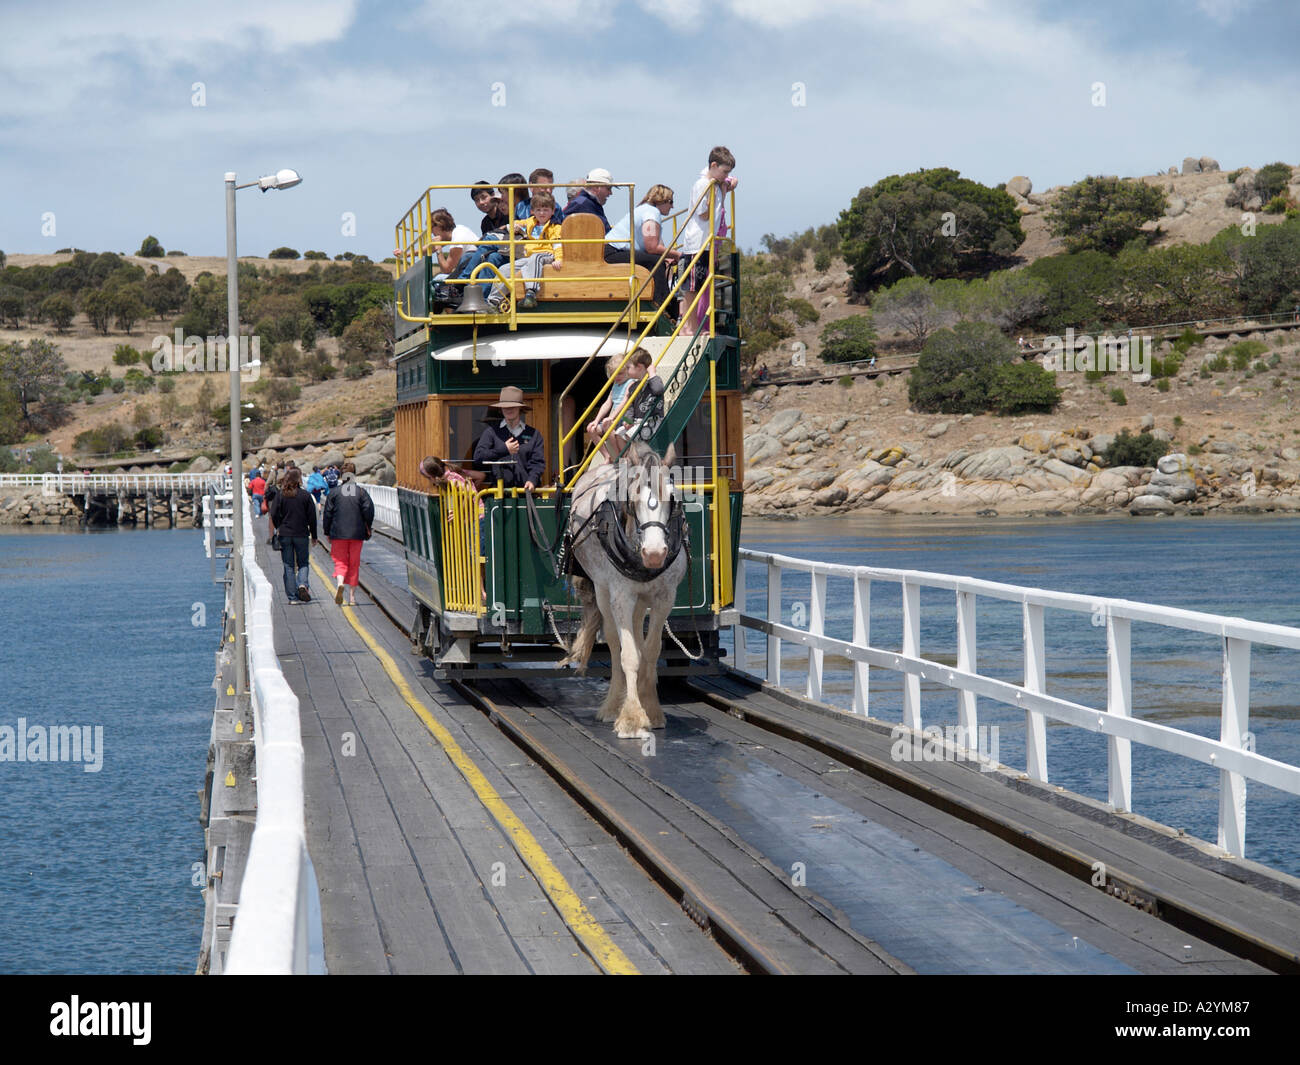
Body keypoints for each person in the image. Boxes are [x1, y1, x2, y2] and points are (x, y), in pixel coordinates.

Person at [680, 147, 738, 328]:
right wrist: (715, 193)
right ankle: (690, 327)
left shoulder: (716, 184)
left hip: (706, 243)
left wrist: (727, 183)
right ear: (713, 165)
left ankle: (694, 325)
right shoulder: (703, 185)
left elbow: (730, 183)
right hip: (697, 243)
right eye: (724, 172)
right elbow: (703, 214)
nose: (725, 176)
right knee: (692, 288)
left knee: (700, 285)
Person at [604, 184, 681, 308]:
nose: (672, 206)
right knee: (656, 263)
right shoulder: (652, 212)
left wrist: (666, 256)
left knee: (658, 260)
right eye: (671, 202)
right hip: (613, 252)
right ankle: (661, 306)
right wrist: (678, 255)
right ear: (661, 200)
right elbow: (652, 247)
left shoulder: (645, 209)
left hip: (611, 250)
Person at [488, 190, 564, 311]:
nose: (542, 213)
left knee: (536, 258)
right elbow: (516, 224)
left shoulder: (555, 226)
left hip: (547, 255)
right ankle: (493, 300)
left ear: (553, 211)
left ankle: (530, 293)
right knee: (505, 268)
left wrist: (558, 259)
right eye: (538, 210)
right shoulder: (530, 222)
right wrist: (514, 226)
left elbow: (557, 245)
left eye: (546, 210)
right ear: (532, 211)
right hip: (530, 258)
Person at [473, 386, 545, 491]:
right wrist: (504, 450)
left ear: (520, 408)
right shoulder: (491, 432)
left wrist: (532, 480)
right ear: (501, 409)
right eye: (505, 406)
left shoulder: (534, 434)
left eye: (513, 406)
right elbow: (478, 457)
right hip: (499, 494)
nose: (508, 409)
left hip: (527, 494)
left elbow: (538, 463)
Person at [322, 461, 374, 607]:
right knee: (354, 563)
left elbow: (327, 514)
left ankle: (340, 583)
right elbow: (368, 510)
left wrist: (327, 531)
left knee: (340, 561)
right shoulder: (361, 492)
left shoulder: (334, 493)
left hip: (338, 533)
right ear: (354, 474)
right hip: (357, 533)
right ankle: (351, 597)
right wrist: (367, 526)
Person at [269, 467, 319, 604]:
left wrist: (279, 526)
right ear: (299, 479)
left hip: (285, 534)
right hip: (301, 534)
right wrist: (314, 535)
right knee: (303, 563)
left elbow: (273, 513)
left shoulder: (280, 495)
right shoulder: (305, 495)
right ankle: (302, 585)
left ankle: (292, 598)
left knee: (288, 565)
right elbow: (312, 518)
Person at [564, 168, 614, 233]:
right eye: (608, 189)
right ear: (596, 187)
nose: (611, 193)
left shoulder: (589, 203)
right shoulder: (582, 204)